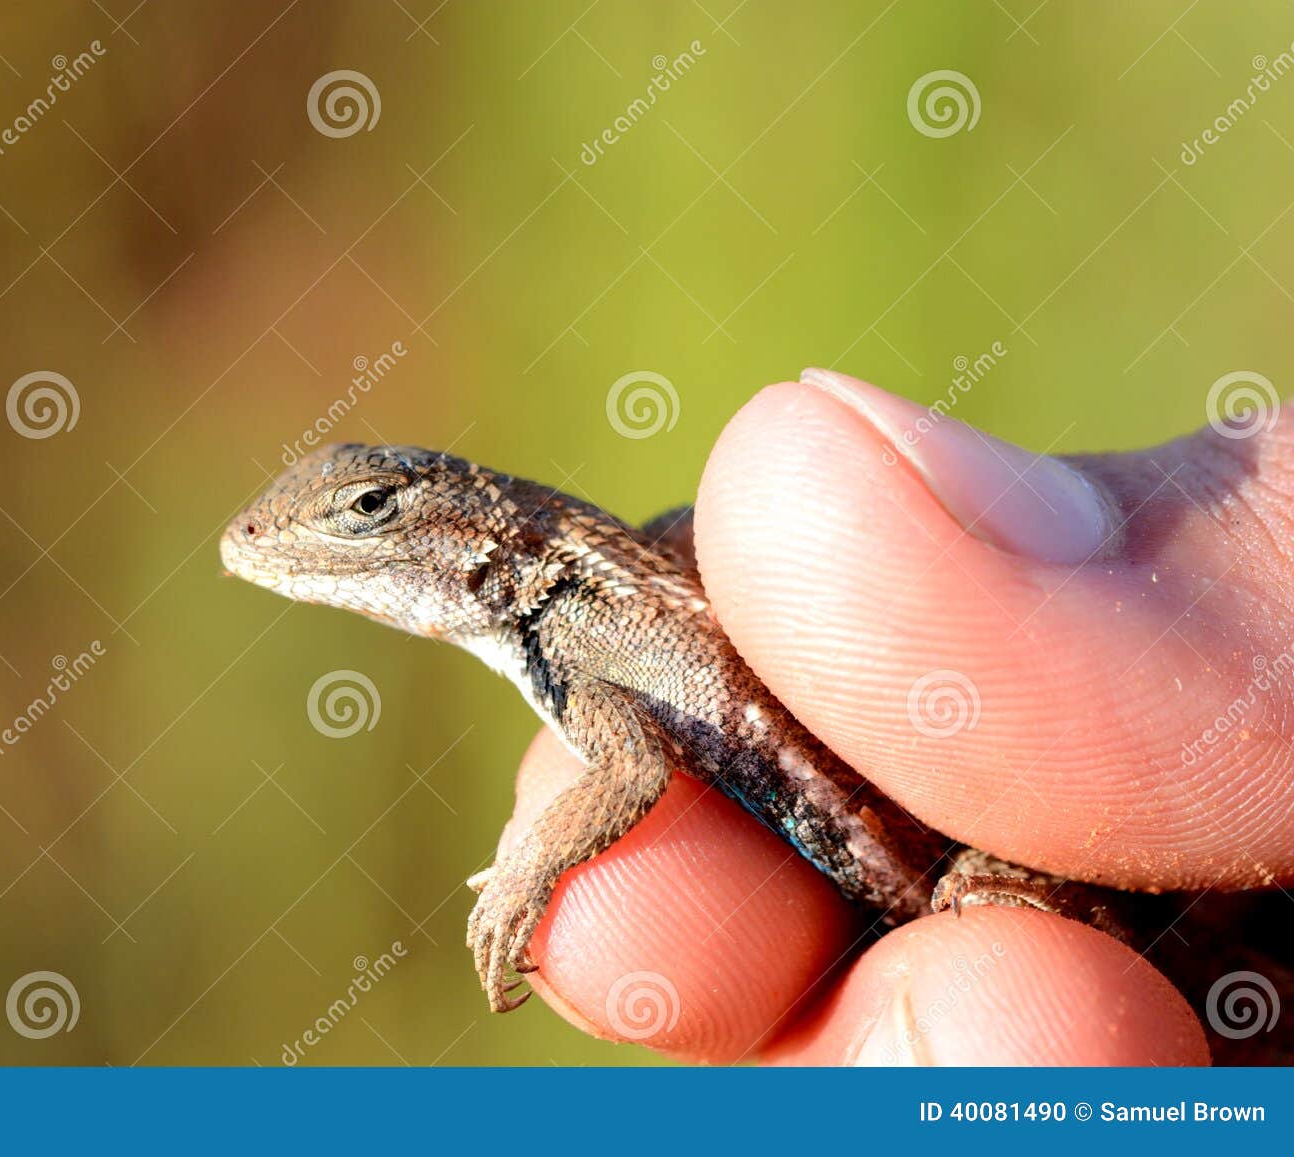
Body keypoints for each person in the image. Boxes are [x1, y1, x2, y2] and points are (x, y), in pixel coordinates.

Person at [504, 369, 1292, 1065]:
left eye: (375, 507)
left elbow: (634, 770)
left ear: (483, 537)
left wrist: (528, 873)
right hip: (949, 870)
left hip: (970, 863)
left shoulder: (577, 620)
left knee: (1030, 994)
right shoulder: (598, 594)